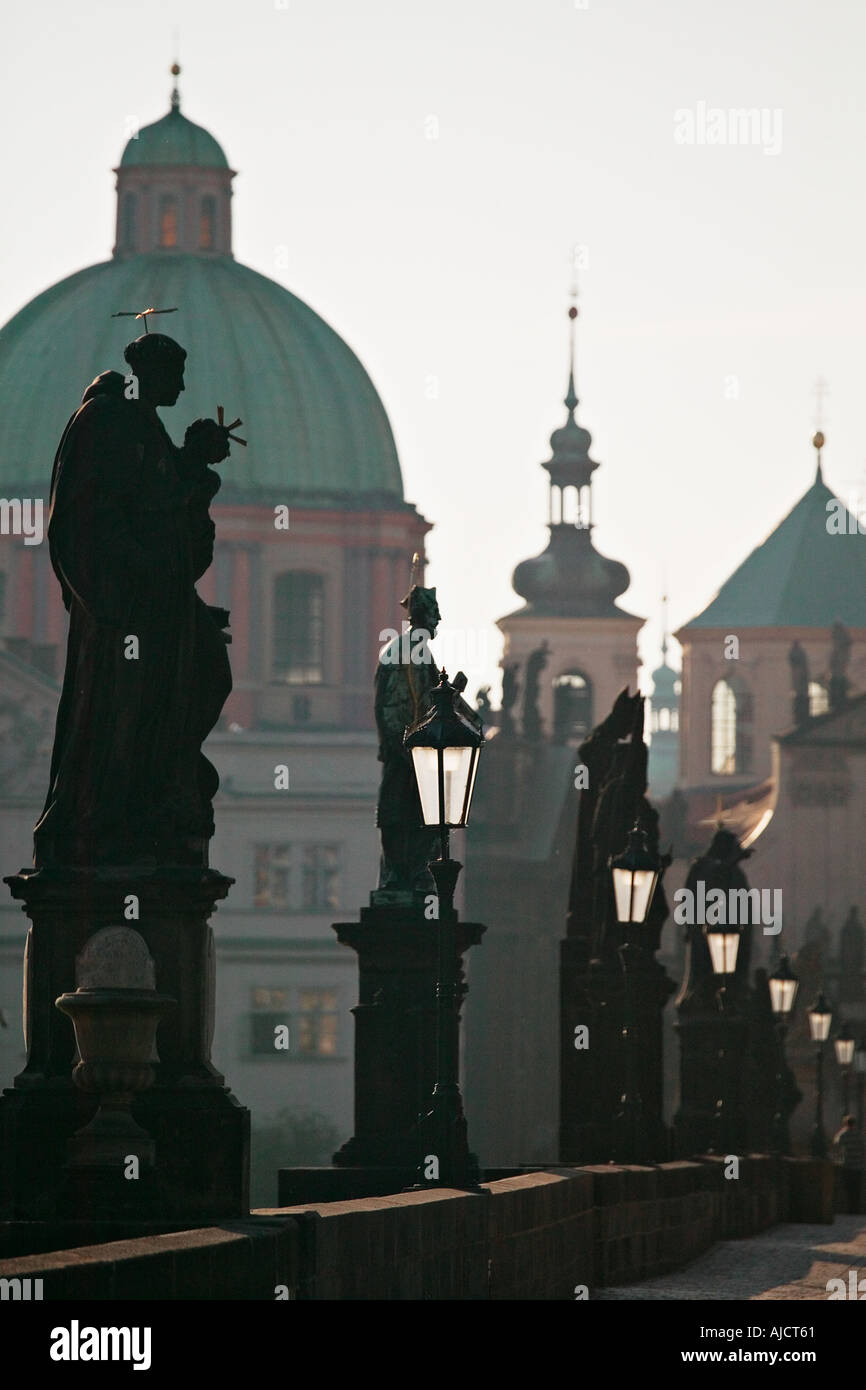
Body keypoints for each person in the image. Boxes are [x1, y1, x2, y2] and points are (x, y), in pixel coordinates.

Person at [34, 332, 234, 868]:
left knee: (208, 675)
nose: (184, 386)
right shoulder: (106, 420)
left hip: (156, 601)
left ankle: (161, 792)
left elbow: (173, 528)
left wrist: (195, 468)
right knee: (125, 707)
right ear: (149, 372)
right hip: (119, 606)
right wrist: (131, 585)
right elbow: (94, 517)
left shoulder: (145, 426)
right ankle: (116, 811)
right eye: (176, 375)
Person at [832, 1115, 864, 1213]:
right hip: (858, 1166)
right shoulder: (859, 1134)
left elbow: (836, 1145)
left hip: (847, 1165)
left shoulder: (843, 1135)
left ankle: (849, 1209)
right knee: (857, 1189)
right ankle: (856, 1209)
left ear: (845, 1124)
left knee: (848, 1188)